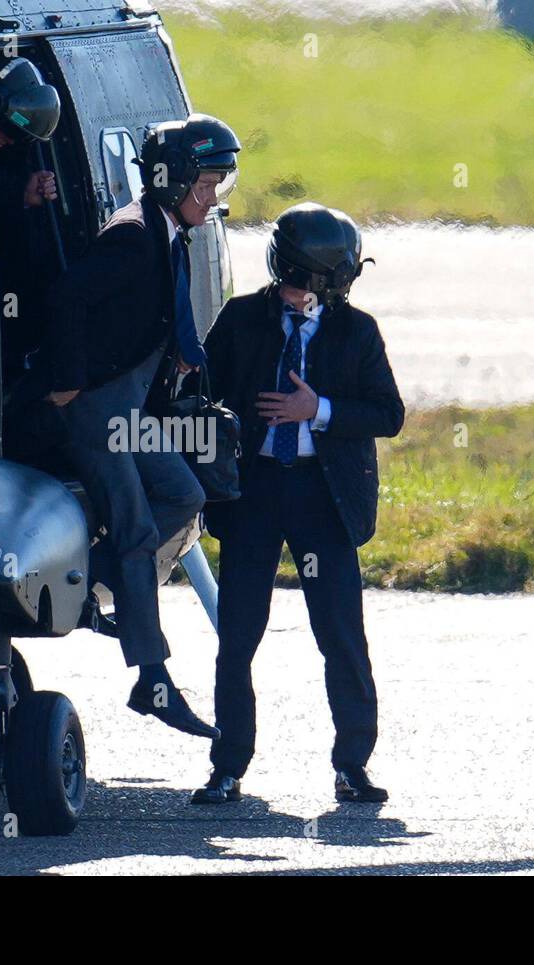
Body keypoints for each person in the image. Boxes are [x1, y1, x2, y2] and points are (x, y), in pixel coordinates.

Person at [191, 202, 405, 803]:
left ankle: (353, 764)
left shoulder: (356, 332)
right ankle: (228, 763)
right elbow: (200, 395)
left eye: (301, 287)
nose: (292, 295)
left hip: (322, 495)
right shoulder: (239, 321)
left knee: (339, 633)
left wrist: (320, 411)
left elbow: (388, 413)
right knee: (238, 635)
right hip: (256, 492)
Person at [38, 114, 241, 739]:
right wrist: (67, 384)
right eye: (206, 183)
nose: (213, 197)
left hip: (130, 409)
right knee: (136, 530)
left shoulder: (166, 230)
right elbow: (66, 299)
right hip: (99, 409)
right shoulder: (133, 235)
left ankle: (88, 593)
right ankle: (153, 680)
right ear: (173, 178)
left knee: (185, 494)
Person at [0, 56, 61, 389]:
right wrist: (17, 195)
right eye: (6, 129)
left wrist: (25, 195)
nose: (8, 140)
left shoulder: (6, 155)